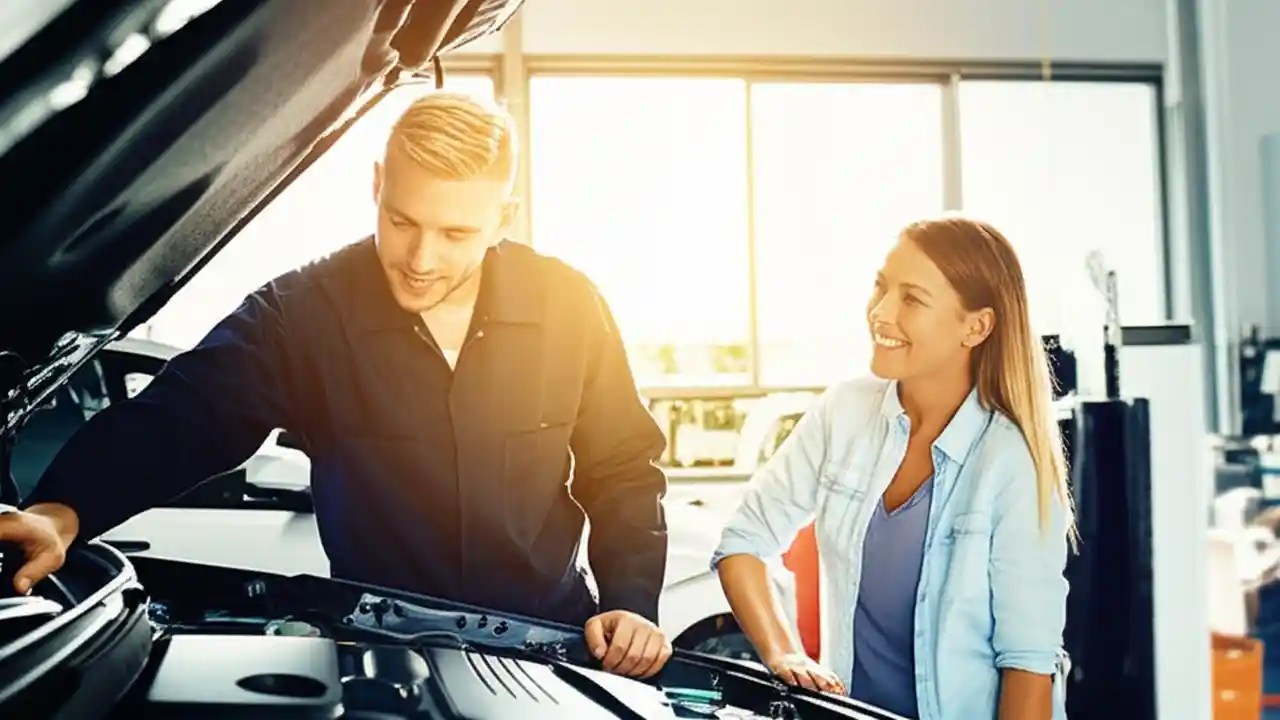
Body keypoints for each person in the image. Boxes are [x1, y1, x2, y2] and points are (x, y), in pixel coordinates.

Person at [0, 91, 674, 678]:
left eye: (456, 233)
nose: (420, 259)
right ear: (378, 184)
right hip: (382, 658)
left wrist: (630, 602)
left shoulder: (570, 306)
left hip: (549, 648)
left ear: (505, 216)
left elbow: (621, 468)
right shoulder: (305, 315)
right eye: (403, 221)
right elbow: (187, 416)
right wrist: (66, 510)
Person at [712, 217, 1073, 719]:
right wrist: (783, 652)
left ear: (976, 326)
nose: (880, 312)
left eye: (912, 299)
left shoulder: (1010, 462)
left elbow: (1028, 665)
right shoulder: (844, 412)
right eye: (881, 287)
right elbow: (744, 540)